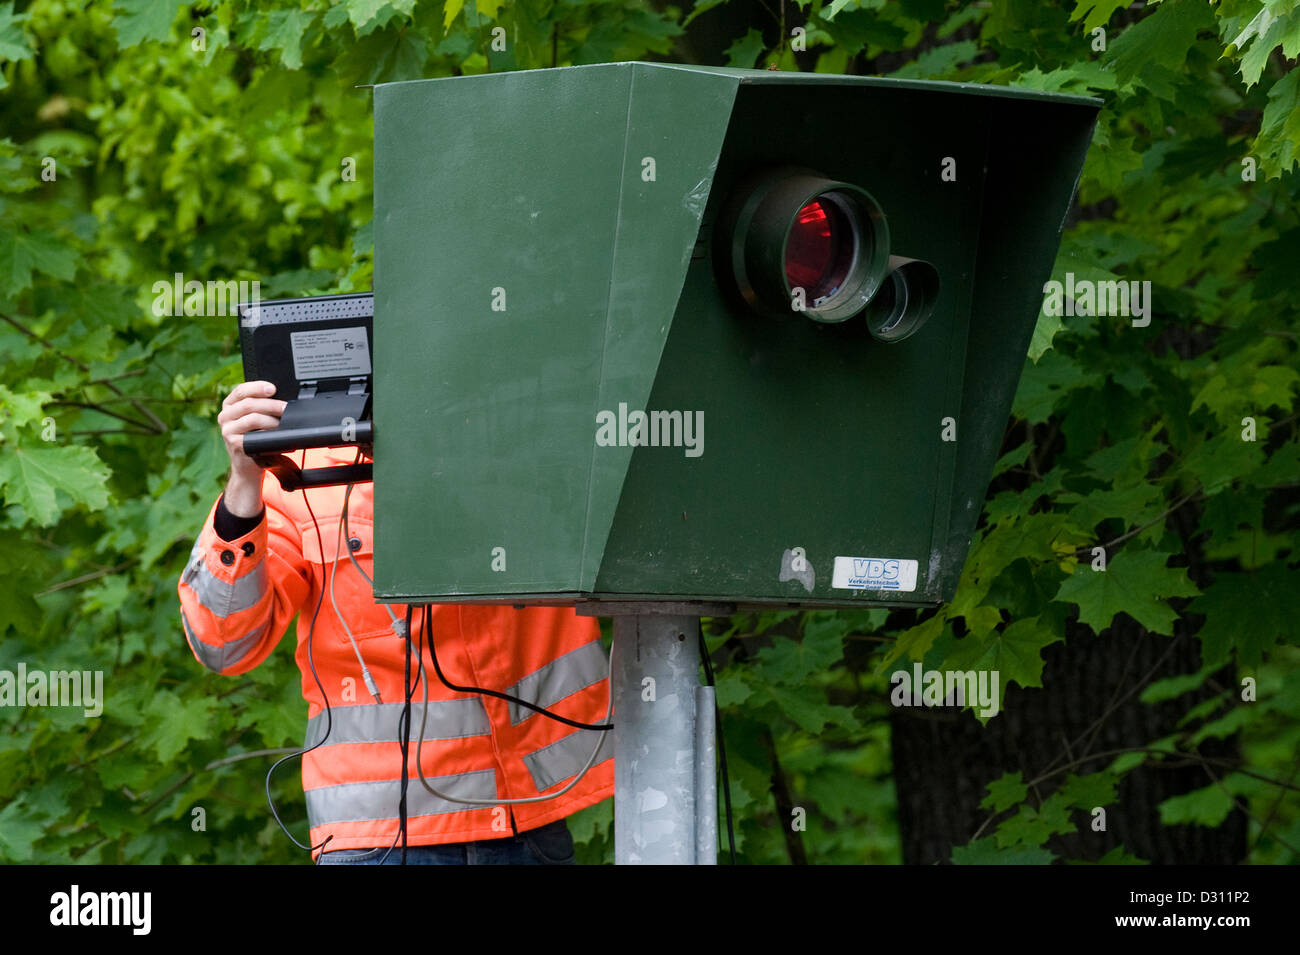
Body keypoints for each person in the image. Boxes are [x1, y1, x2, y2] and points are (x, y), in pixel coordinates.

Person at [177, 380, 614, 864]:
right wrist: (244, 484)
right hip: (379, 838)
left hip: (531, 816)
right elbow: (223, 643)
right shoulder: (298, 473)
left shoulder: (529, 434)